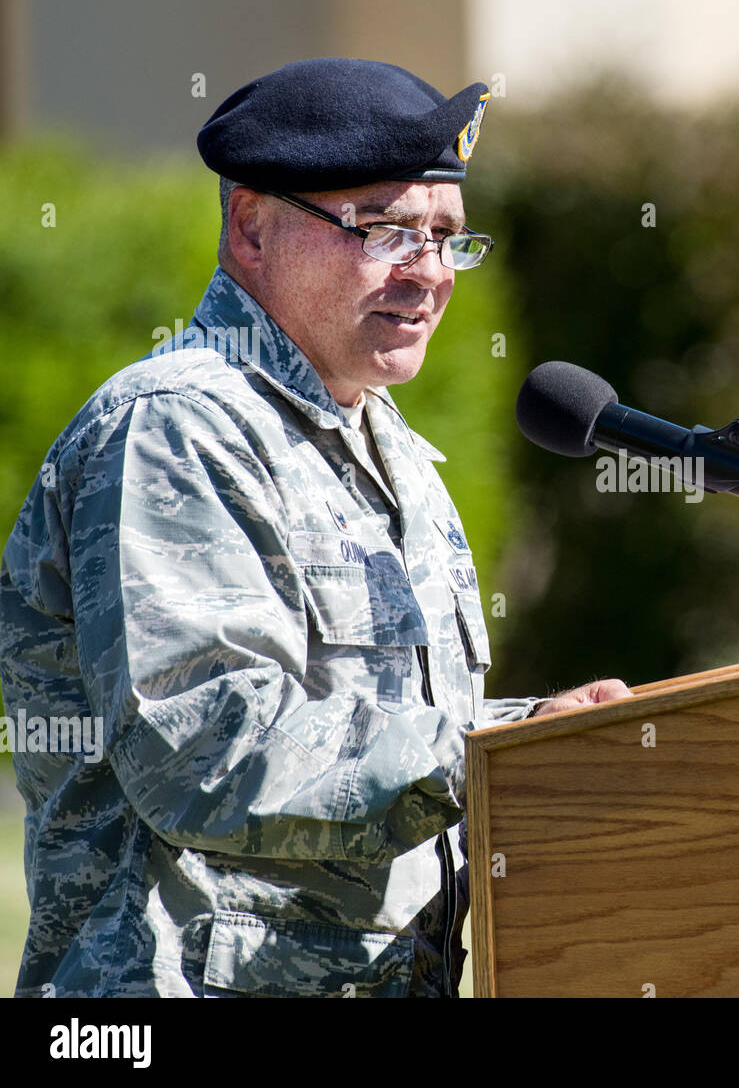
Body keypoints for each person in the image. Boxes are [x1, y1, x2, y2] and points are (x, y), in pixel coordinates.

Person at [0, 57, 631, 998]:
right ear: (253, 229)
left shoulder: (387, 444)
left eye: (448, 239)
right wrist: (488, 755)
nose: (428, 274)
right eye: (385, 230)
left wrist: (543, 740)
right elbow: (206, 745)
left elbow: (384, 729)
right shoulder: (177, 427)